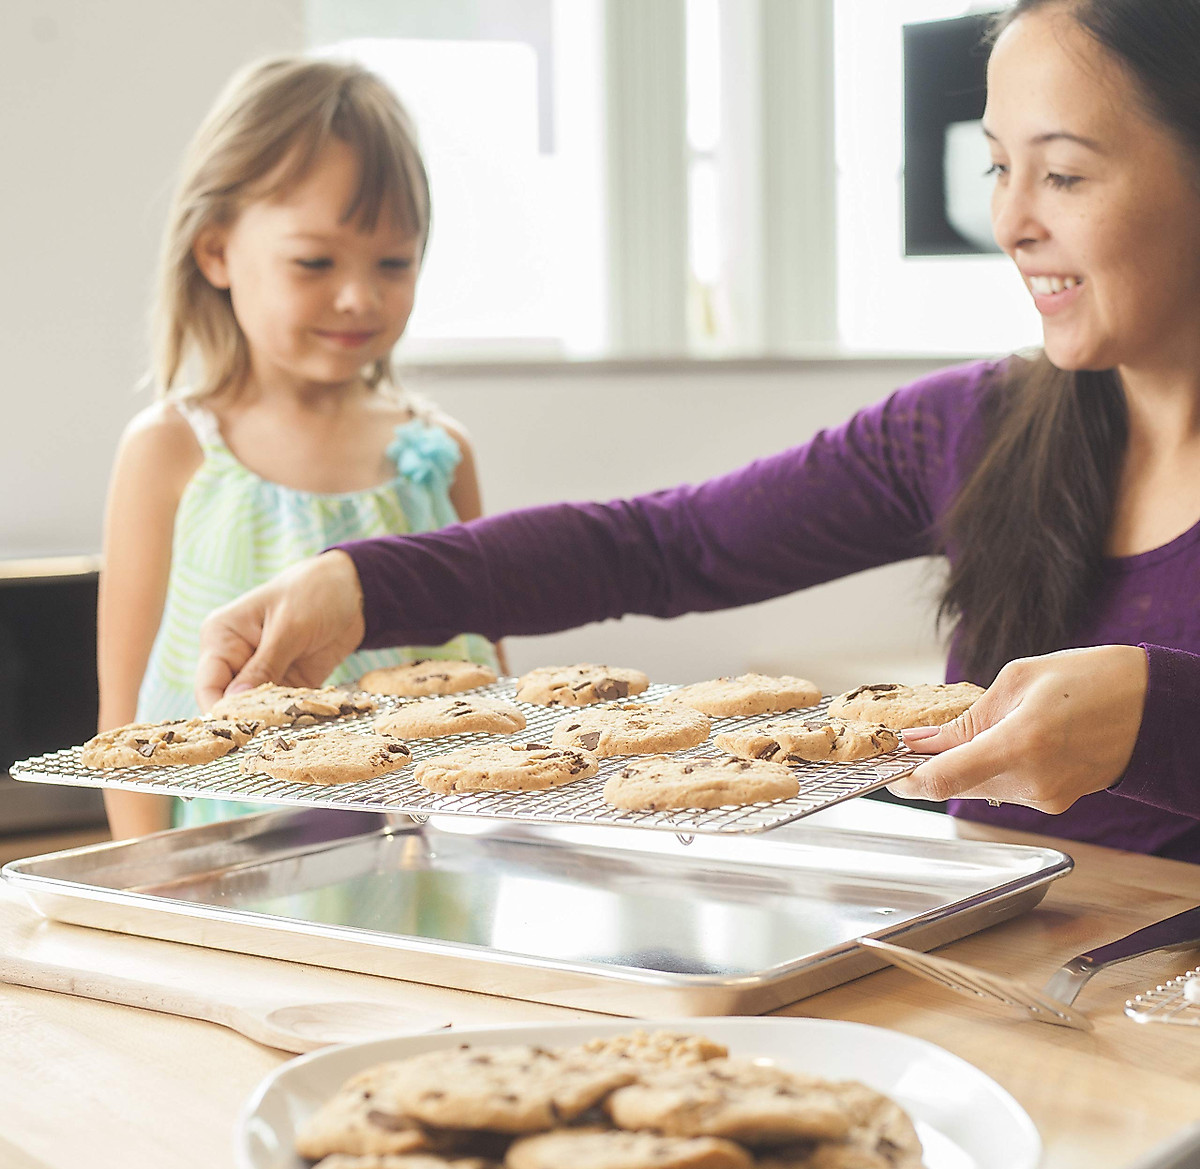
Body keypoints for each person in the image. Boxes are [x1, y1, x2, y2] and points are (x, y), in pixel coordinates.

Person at [197, 0, 1200, 862]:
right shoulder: (968, 430)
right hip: (995, 983)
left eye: (1062, 175)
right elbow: (667, 545)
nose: (1011, 220)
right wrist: (367, 583)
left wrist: (1162, 717)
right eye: (994, 168)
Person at [97, 58, 501, 840]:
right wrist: (143, 894)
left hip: (429, 874)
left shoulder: (439, 452)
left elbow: (496, 688)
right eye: (315, 262)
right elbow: (124, 724)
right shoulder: (171, 452)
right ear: (215, 252)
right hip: (230, 875)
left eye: (394, 262)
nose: (359, 296)